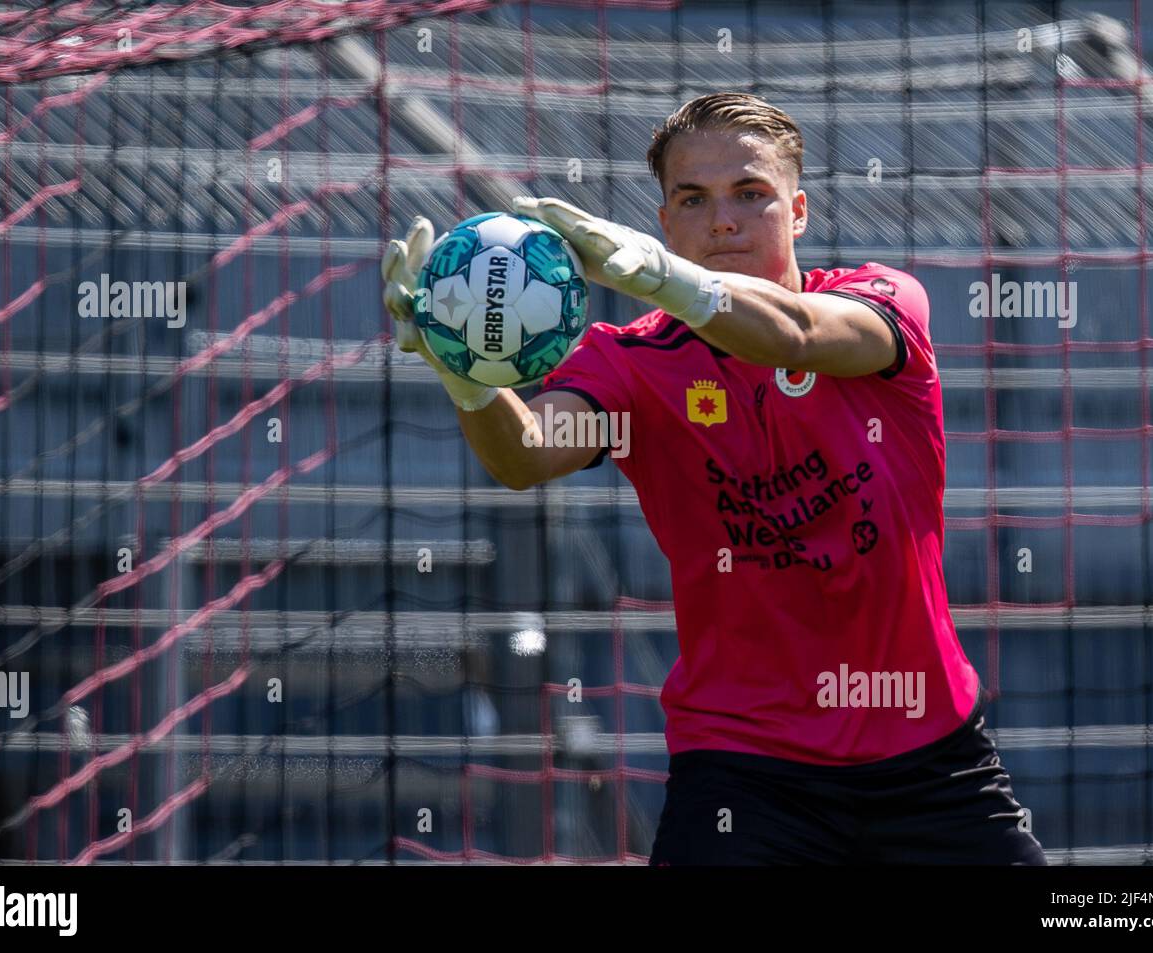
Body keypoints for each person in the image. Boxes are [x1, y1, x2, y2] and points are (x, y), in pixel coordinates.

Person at [382, 91, 1046, 865]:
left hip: (929, 756)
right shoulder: (631, 364)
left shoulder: (881, 303)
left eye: (750, 194)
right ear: (664, 221)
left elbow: (792, 334)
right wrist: (462, 373)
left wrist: (667, 279)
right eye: (693, 199)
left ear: (797, 211)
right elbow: (526, 453)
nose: (722, 220)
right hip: (745, 770)